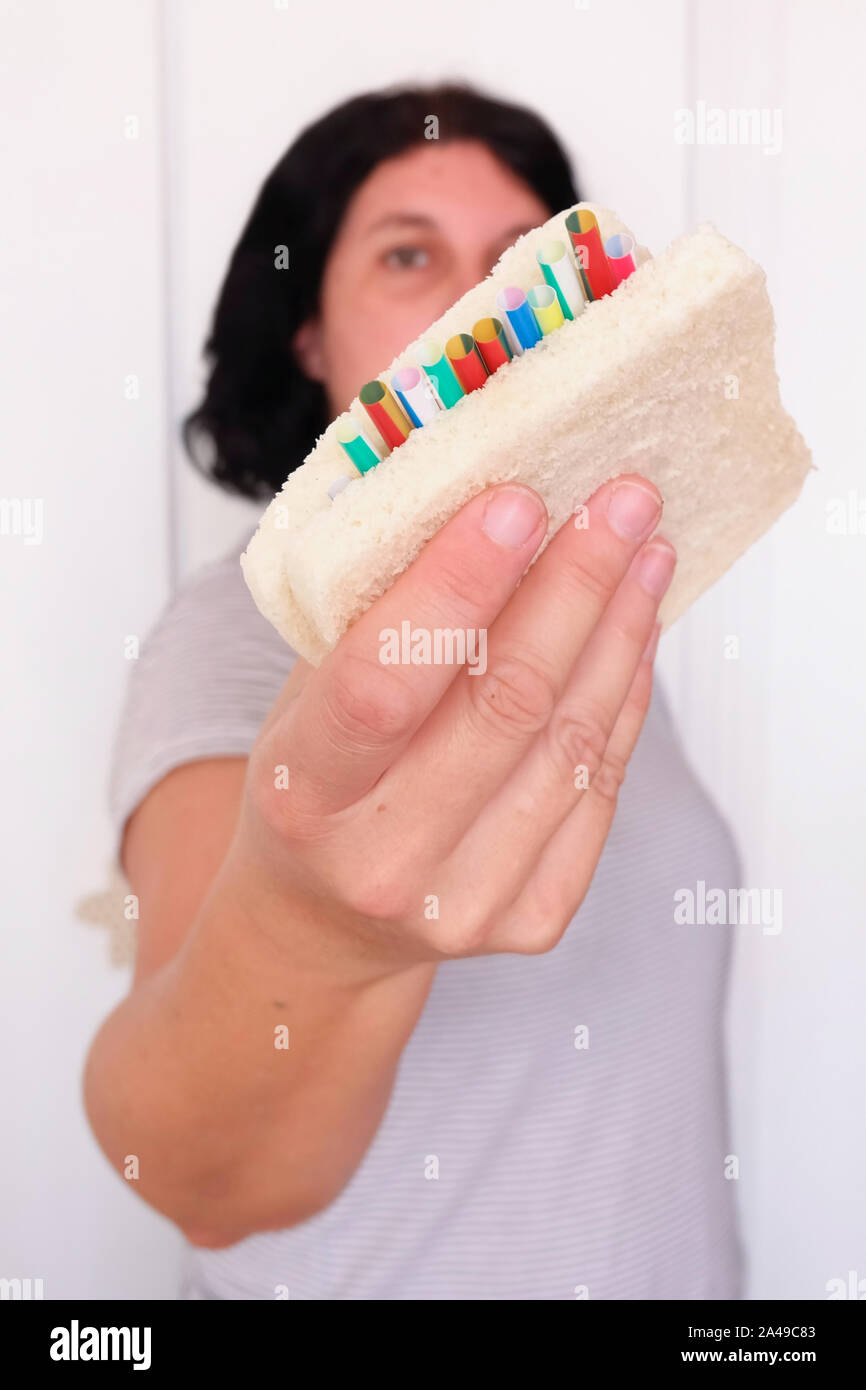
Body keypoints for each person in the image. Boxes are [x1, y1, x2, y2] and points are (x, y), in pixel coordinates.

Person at [84, 83, 743, 1300]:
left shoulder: (604, 601)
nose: (473, 299)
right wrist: (310, 930)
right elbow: (194, 1169)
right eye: (406, 255)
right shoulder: (238, 634)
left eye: (515, 261)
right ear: (311, 338)